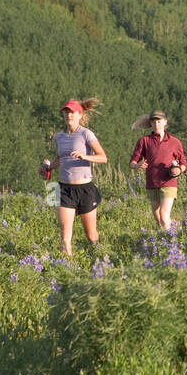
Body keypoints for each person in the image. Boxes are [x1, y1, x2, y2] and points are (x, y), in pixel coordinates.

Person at [42, 98, 107, 256]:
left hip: (85, 188)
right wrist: (48, 166)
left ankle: (98, 258)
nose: (68, 115)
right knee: (65, 236)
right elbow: (60, 158)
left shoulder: (86, 134)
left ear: (79, 115)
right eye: (66, 112)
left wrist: (84, 156)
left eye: (72, 112)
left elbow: (103, 157)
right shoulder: (58, 137)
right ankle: (67, 269)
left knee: (91, 236)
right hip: (63, 188)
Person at [129, 110, 187, 231]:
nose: (156, 124)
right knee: (158, 219)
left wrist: (179, 171)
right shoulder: (144, 141)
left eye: (159, 121)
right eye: (154, 122)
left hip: (169, 182)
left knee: (164, 216)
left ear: (165, 122)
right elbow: (132, 163)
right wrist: (138, 165)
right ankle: (178, 229)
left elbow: (183, 163)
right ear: (151, 124)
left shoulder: (174, 142)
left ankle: (172, 243)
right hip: (152, 183)